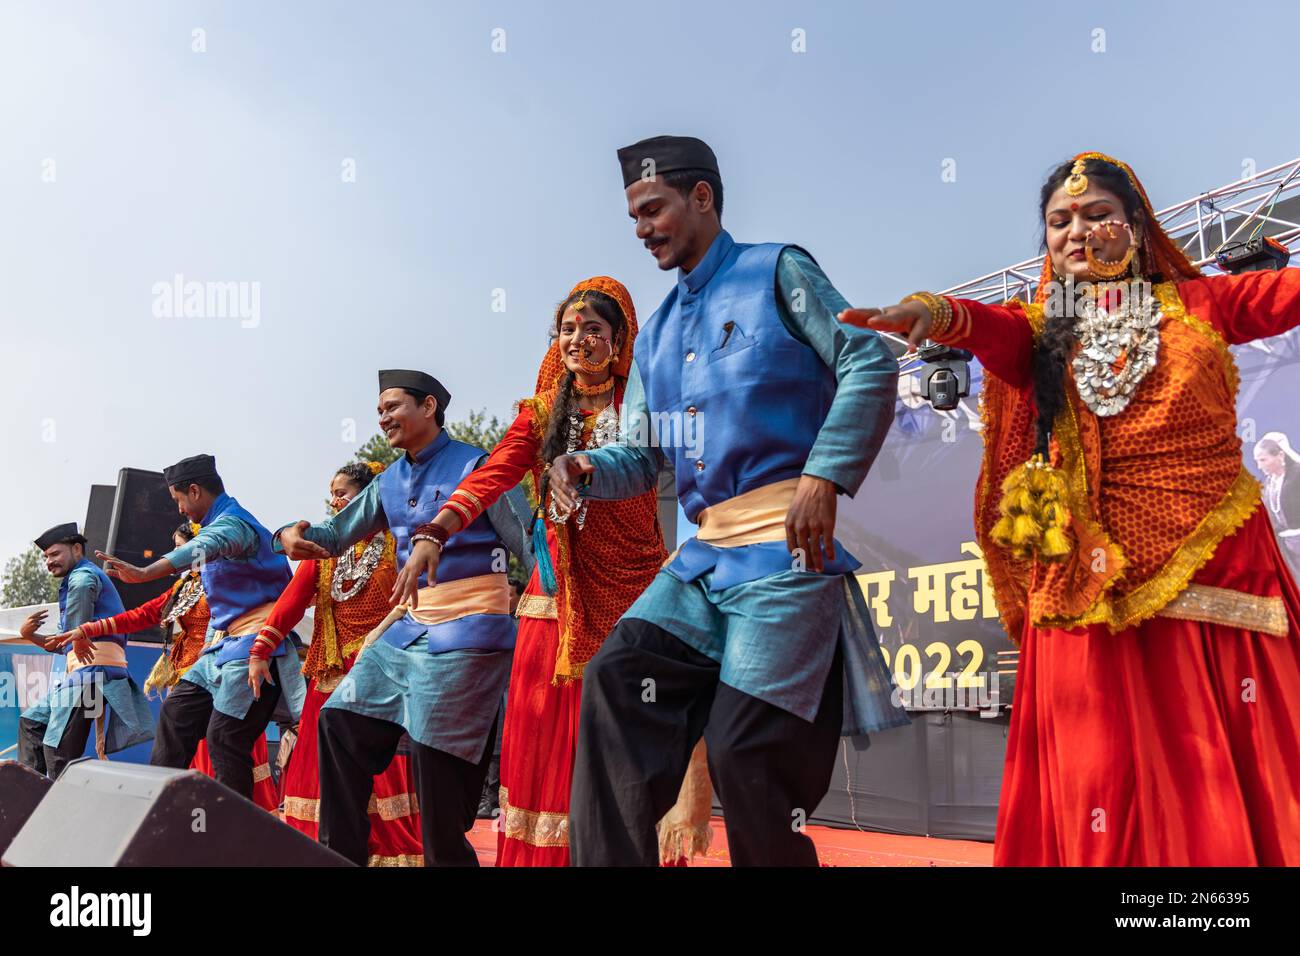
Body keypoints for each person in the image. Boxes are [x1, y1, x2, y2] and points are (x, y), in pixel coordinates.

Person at [842, 151, 1300, 865]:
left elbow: (1285, 292)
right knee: (1099, 775)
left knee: (1215, 768)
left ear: (1138, 228)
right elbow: (986, 326)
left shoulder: (1201, 306)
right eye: (1060, 221)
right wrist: (933, 312)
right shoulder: (1038, 332)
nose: (1077, 231)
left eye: (1097, 215)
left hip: (1213, 568)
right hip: (1087, 582)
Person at [548, 136, 906, 866]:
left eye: (653, 210)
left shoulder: (777, 270)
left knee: (745, 750)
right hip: (704, 559)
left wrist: (824, 475)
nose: (642, 229)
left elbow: (867, 357)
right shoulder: (654, 337)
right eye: (634, 217)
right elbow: (643, 456)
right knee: (617, 681)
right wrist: (585, 465)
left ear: (703, 197)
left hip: (785, 549)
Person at [406, 276, 713, 866]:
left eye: (593, 329)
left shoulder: (641, 408)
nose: (578, 339)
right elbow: (493, 472)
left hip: (631, 593)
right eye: (568, 329)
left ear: (619, 341)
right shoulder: (543, 412)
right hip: (554, 604)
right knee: (544, 742)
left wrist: (581, 466)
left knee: (626, 742)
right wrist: (436, 530)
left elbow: (668, 461)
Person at [275, 370, 525, 867]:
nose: (383, 418)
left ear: (429, 407)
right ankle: (342, 859)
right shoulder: (388, 481)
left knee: (437, 767)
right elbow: (334, 534)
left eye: (392, 407)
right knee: (339, 721)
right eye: (379, 411)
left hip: (471, 628)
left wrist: (554, 616)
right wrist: (285, 533)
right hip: (409, 628)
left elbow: (528, 541)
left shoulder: (479, 465)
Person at [96, 454, 304, 803]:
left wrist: (146, 572)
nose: (179, 509)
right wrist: (89, 629)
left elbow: (204, 546)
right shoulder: (207, 543)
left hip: (255, 644)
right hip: (220, 649)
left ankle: (232, 827)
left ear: (194, 491)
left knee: (225, 739)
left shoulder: (234, 524)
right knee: (175, 715)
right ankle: (159, 807)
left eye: (178, 500)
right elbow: (152, 612)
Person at [254, 461, 422, 866]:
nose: (334, 501)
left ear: (367, 499)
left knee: (379, 770)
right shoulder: (323, 552)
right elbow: (291, 603)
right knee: (317, 764)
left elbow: (414, 603)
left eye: (342, 493)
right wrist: (260, 651)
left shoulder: (398, 541)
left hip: (381, 669)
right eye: (332, 494)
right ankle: (321, 852)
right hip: (330, 673)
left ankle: (387, 853)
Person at [60, 521, 278, 811]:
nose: (175, 554)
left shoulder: (224, 579)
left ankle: (227, 820)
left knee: (219, 748)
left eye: (179, 548)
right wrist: (90, 628)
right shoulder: (186, 585)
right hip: (191, 677)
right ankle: (167, 812)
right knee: (178, 735)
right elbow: (145, 614)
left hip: (221, 674)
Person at [16, 523, 153, 779]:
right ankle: (30, 792)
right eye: (46, 557)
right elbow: (65, 645)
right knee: (32, 722)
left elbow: (82, 591)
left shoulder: (82, 577)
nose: (49, 561)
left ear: (77, 549)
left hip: (93, 675)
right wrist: (29, 635)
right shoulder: (75, 579)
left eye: (54, 554)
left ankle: (56, 800)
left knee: (57, 749)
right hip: (84, 674)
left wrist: (80, 632)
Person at [1254, 433, 1300, 580]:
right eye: (1257, 461)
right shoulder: (1268, 484)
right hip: (1285, 548)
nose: (1259, 466)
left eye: (1263, 460)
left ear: (1280, 455)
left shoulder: (1297, 475)